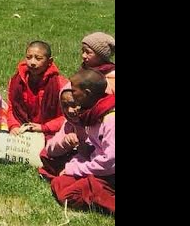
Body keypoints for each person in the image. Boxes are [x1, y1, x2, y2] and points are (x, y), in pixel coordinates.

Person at [42, 69, 115, 215]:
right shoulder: (91, 114)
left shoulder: (110, 118)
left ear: (87, 93)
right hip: (96, 169)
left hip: (109, 173)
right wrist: (73, 166)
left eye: (74, 91)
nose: (72, 94)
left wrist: (72, 170)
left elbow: (110, 162)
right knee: (59, 182)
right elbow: (90, 150)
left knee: (69, 196)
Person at [6, 40, 64, 137]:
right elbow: (11, 108)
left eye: (38, 58)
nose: (32, 62)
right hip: (21, 129)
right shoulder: (17, 81)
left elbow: (67, 117)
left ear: (50, 61)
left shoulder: (60, 84)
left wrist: (44, 127)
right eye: (29, 57)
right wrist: (13, 125)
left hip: (50, 131)